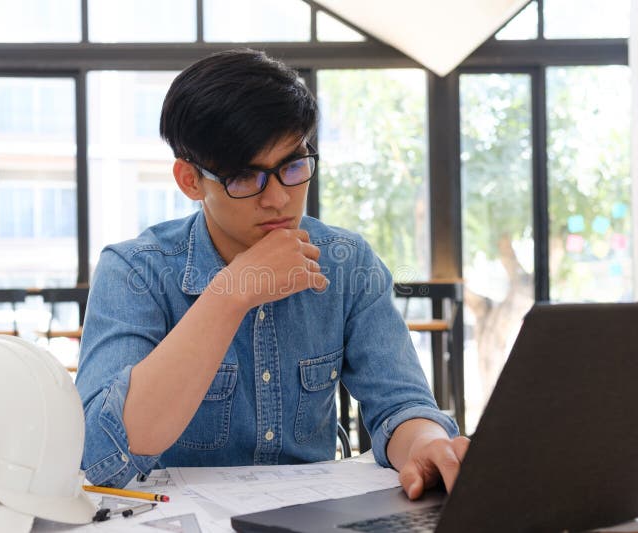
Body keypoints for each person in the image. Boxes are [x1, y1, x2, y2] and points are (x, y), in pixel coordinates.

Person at [76, 49, 469, 500]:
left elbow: (400, 406)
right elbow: (100, 456)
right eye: (246, 178)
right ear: (190, 180)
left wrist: (428, 444)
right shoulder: (135, 272)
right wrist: (232, 292)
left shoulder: (346, 263)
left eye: (293, 166)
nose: (278, 199)